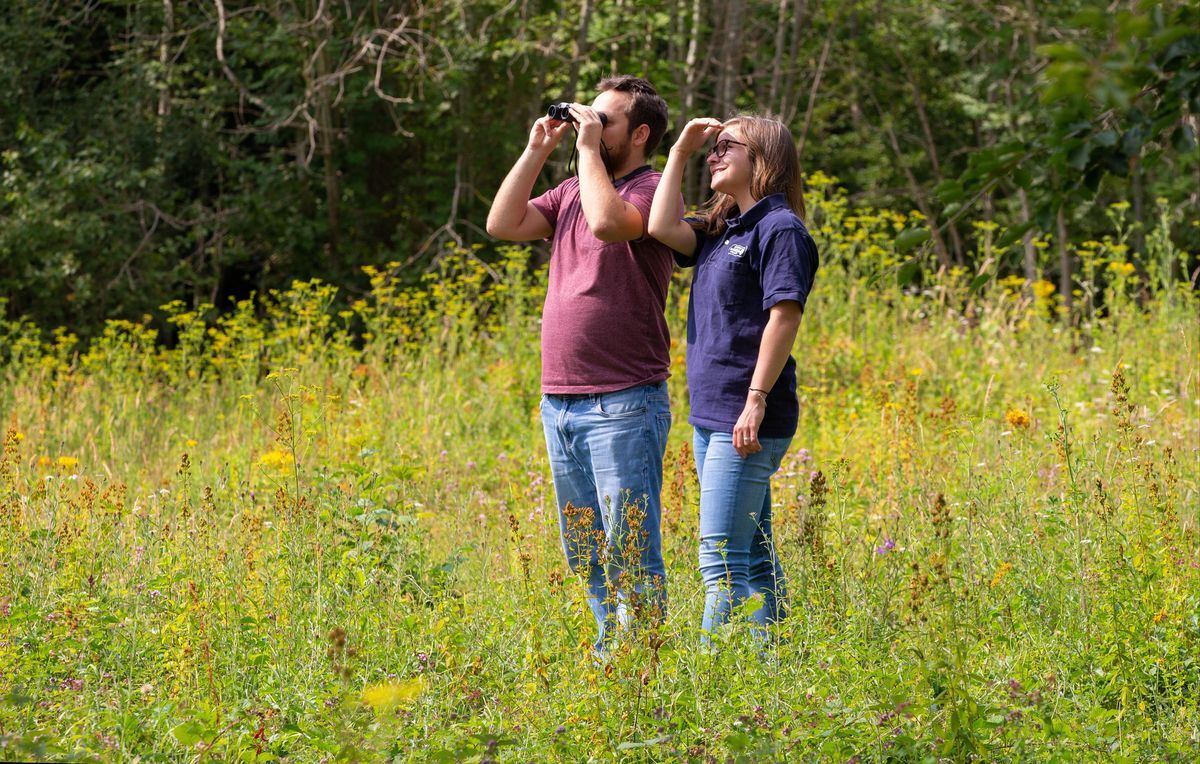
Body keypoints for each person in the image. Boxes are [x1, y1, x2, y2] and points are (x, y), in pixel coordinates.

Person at [486, 76, 675, 650]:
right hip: (561, 401)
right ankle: (610, 655)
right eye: (587, 116)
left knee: (630, 547)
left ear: (639, 134)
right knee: (586, 547)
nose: (590, 125)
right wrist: (538, 149)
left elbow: (608, 224)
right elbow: (502, 224)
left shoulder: (653, 187)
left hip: (623, 399)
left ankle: (642, 670)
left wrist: (587, 148)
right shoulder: (571, 189)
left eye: (605, 120)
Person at [647, 114, 818, 638]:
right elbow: (659, 227)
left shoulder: (780, 228)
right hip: (714, 414)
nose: (714, 155)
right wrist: (677, 153)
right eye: (712, 149)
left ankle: (712, 683)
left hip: (745, 417)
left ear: (762, 158)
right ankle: (775, 669)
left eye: (727, 147)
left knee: (721, 563)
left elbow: (784, 314)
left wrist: (756, 399)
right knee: (756, 558)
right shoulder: (727, 227)